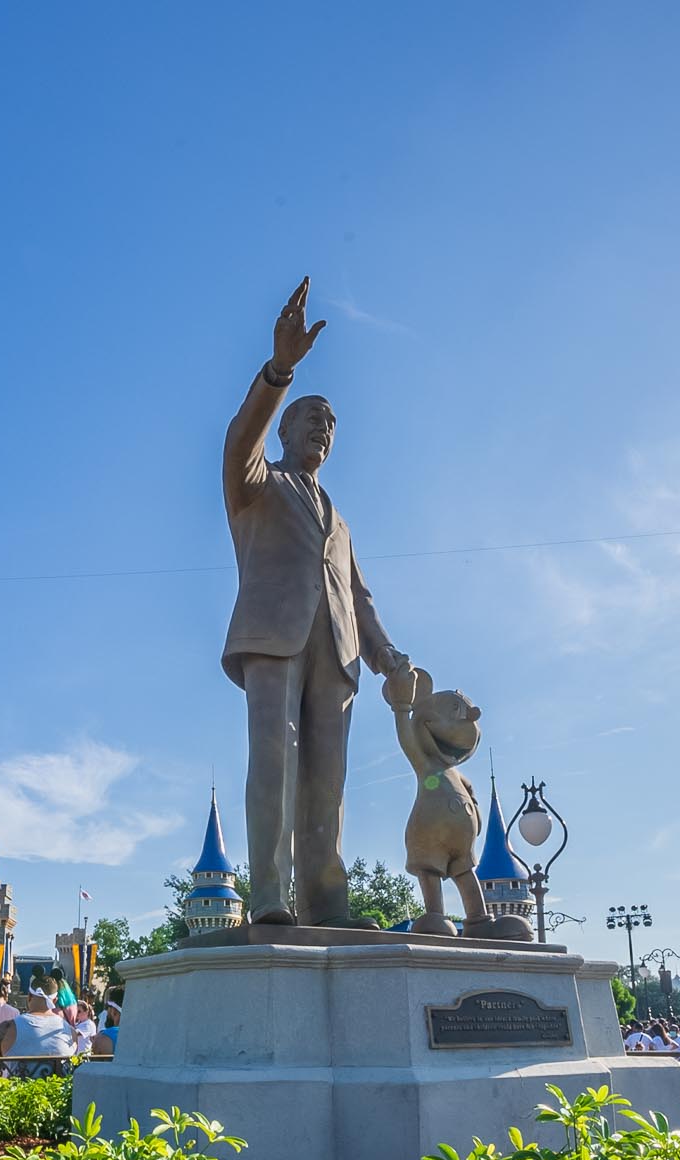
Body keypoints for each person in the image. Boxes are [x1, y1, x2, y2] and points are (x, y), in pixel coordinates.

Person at [220, 278, 409, 926]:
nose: (323, 429)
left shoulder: (339, 518)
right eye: (312, 419)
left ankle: (327, 902)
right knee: (275, 764)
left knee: (329, 782)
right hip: (273, 637)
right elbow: (239, 439)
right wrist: (280, 371)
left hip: (339, 652)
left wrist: (387, 655)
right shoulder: (256, 484)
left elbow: (359, 594)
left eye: (330, 424)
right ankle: (270, 898)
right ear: (285, 430)